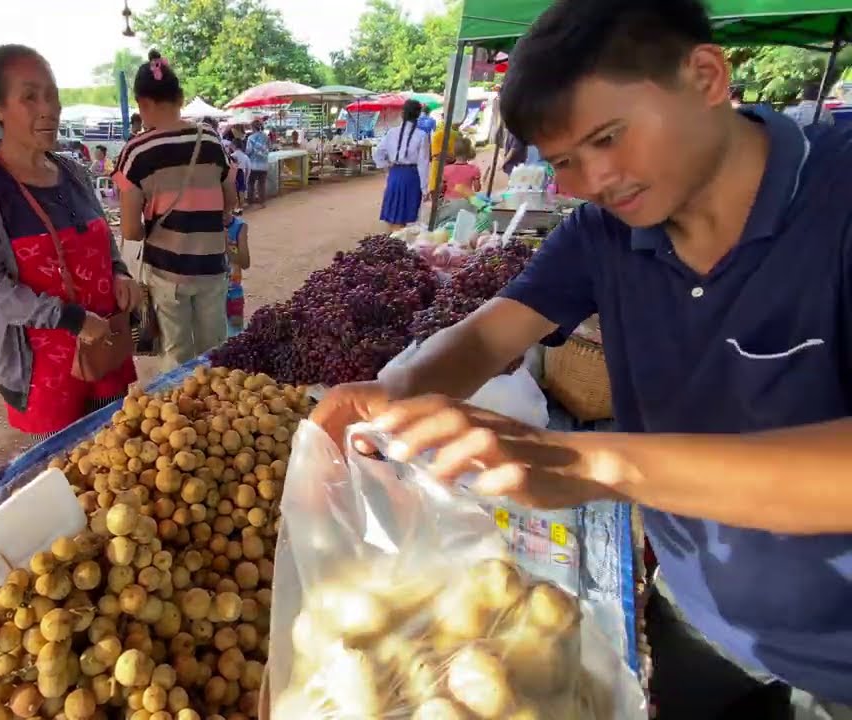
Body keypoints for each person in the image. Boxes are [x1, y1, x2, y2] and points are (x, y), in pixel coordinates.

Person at [314, 0, 852, 717]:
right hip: (699, 615)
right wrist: (394, 393)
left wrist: (589, 463)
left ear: (706, 75)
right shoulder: (602, 235)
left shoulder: (838, 199)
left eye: (608, 137)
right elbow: (483, 338)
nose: (593, 180)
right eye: (565, 161)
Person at [0, 44, 142, 437]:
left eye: (52, 95)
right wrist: (70, 319)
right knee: (64, 474)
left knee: (119, 455)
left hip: (105, 349)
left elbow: (103, 242)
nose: (49, 108)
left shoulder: (72, 171)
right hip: (43, 372)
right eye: (29, 97)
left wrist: (120, 273)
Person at [115, 50, 237, 369]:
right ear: (181, 97)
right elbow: (230, 199)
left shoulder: (134, 152)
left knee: (176, 354)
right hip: (211, 264)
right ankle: (219, 411)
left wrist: (152, 227)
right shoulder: (210, 137)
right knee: (216, 351)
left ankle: (180, 414)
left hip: (167, 272)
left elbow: (130, 230)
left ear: (141, 105)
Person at [372, 98, 431, 229]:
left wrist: (386, 166)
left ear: (402, 114)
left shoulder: (392, 132)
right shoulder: (422, 135)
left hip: (395, 174)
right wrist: (425, 188)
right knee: (408, 217)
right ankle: (401, 244)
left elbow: (377, 152)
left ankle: (391, 243)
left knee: (393, 214)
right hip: (412, 176)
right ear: (418, 115)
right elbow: (423, 164)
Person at [225, 214, 250, 336]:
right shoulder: (204, 226)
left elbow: (245, 263)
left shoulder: (239, 226)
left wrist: (226, 246)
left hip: (233, 293)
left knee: (235, 337)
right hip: (209, 295)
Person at [245, 119, 270, 207]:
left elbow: (248, 150)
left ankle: (250, 202)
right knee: (261, 184)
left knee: (251, 183)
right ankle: (262, 202)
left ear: (252, 127)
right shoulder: (266, 136)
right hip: (264, 164)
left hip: (253, 164)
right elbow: (268, 148)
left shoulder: (250, 138)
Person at [230, 138, 250, 212]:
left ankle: (235, 207)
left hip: (234, 172)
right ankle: (241, 205)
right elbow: (248, 168)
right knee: (241, 189)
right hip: (242, 172)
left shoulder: (232, 155)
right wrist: (246, 178)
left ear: (234, 145)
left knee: (234, 190)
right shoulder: (245, 156)